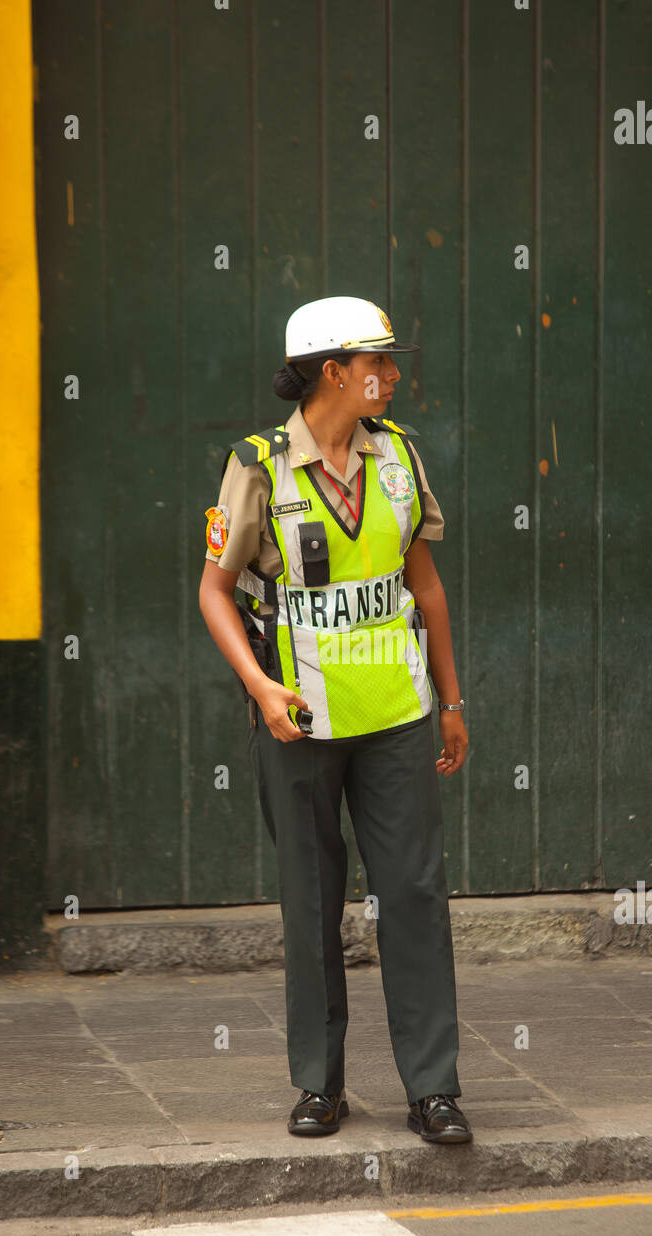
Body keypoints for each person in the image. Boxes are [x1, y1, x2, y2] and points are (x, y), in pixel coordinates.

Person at [198, 296, 471, 1144]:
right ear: (331, 373)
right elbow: (213, 590)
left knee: (416, 897)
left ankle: (432, 1089)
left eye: (390, 362)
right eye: (376, 363)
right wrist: (260, 686)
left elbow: (423, 585)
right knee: (311, 901)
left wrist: (452, 701)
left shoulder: (397, 459)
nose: (389, 376)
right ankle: (320, 1086)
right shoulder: (257, 467)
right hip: (299, 724)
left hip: (397, 715)